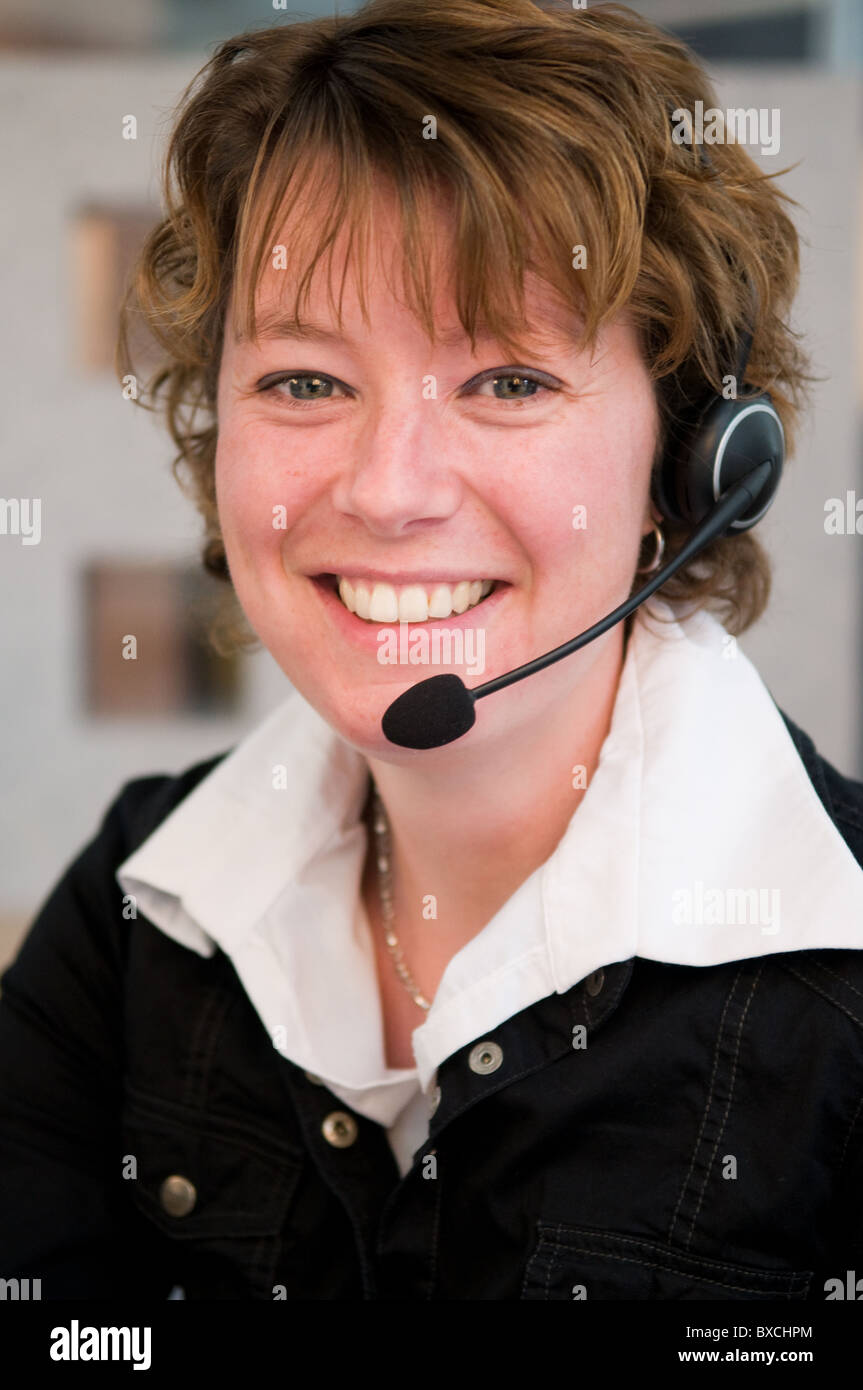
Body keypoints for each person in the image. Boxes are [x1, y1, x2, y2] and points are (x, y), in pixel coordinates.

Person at [2, 0, 862, 1302]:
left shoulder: (837, 984)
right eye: (304, 380)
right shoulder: (137, 907)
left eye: (508, 381)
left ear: (688, 462)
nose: (391, 490)